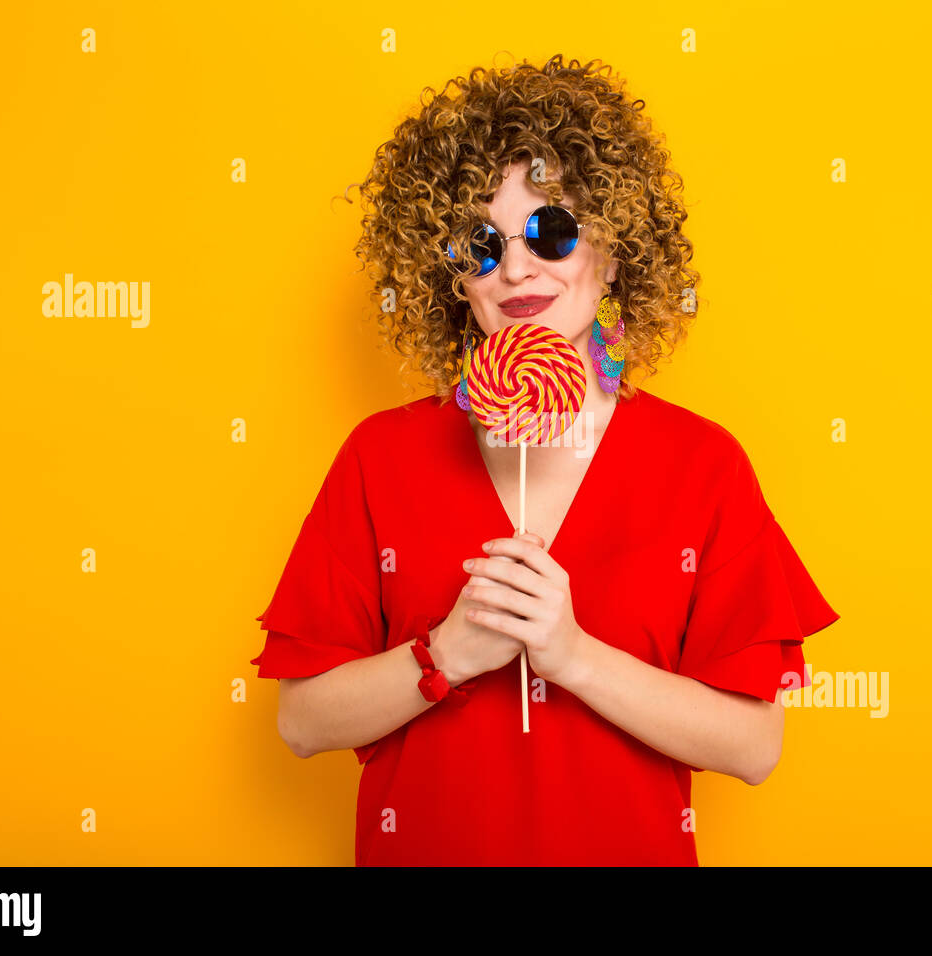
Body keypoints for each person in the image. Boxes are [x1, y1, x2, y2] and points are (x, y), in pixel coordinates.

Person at [250, 54, 840, 866]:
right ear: (453, 276)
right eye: (481, 245)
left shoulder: (702, 464)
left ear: (616, 244)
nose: (517, 268)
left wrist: (573, 656)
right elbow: (301, 722)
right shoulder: (379, 458)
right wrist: (446, 654)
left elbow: (754, 745)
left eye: (552, 232)